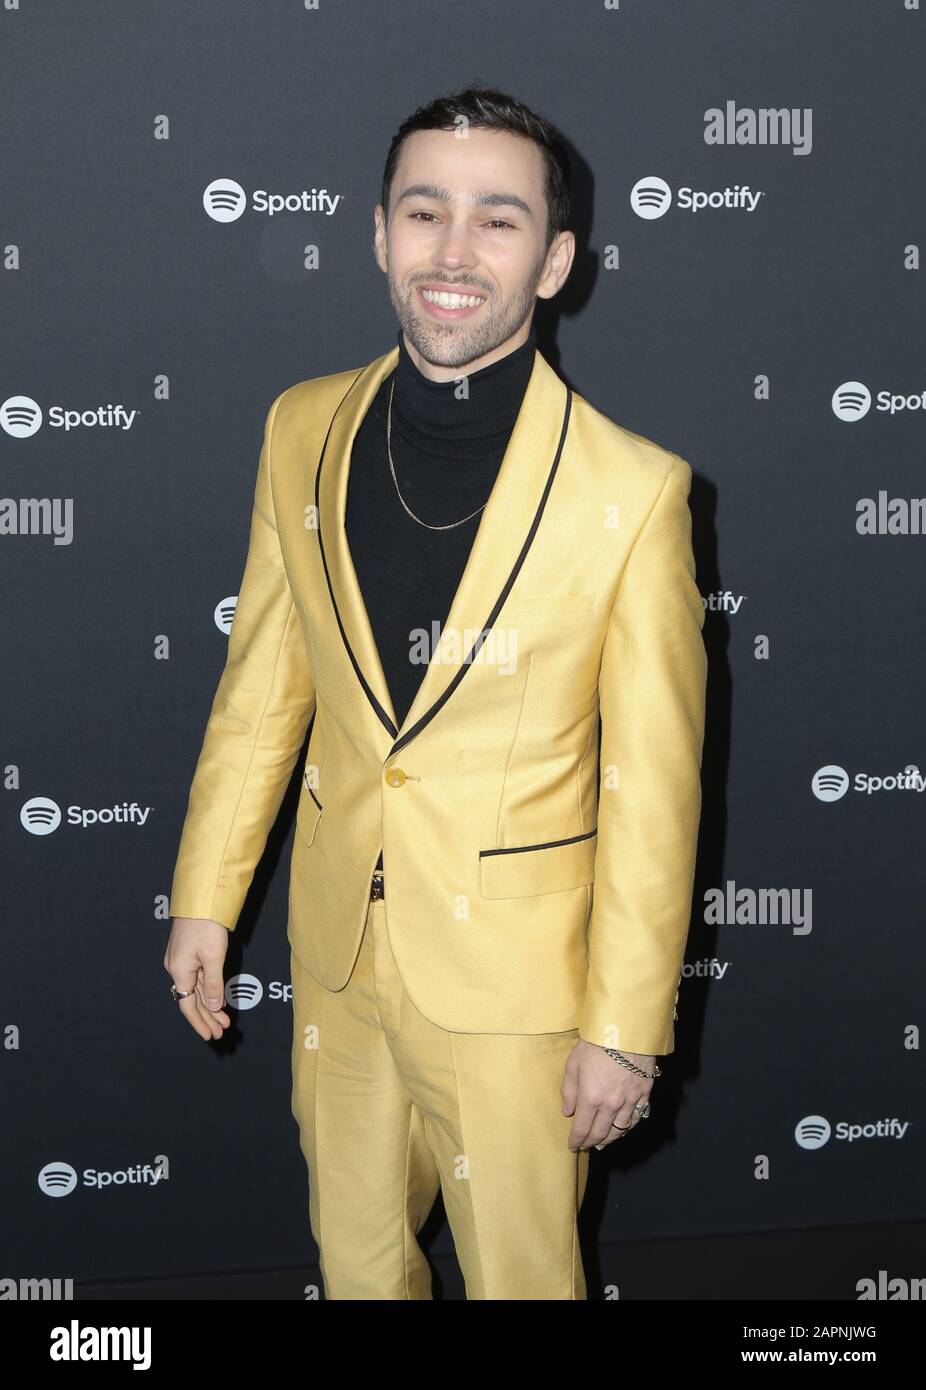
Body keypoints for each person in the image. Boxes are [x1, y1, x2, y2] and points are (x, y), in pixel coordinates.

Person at [164, 85, 707, 1300]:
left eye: (498, 221)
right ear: (377, 233)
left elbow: (656, 794)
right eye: (425, 212)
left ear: (556, 260)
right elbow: (263, 685)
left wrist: (623, 1026)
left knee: (523, 1280)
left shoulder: (632, 495)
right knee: (356, 1269)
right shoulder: (300, 427)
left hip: (517, 992)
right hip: (338, 962)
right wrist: (205, 893)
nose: (453, 252)